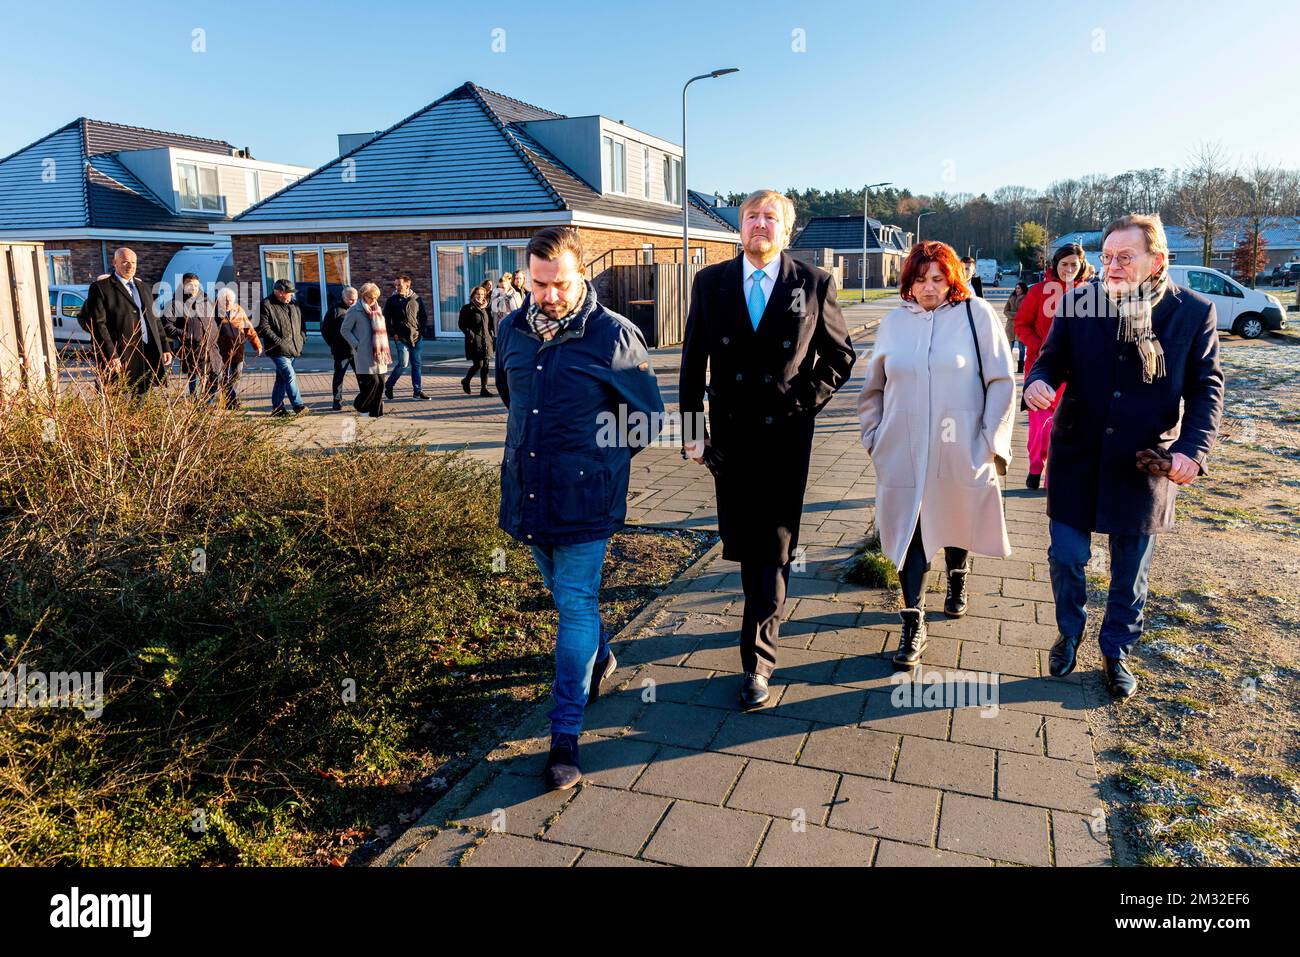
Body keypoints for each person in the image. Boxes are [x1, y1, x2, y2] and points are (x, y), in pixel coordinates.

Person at [1024, 213, 1224, 699]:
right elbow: (1051, 359)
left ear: (1157, 260)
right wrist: (1038, 381)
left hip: (1143, 460)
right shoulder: (1077, 303)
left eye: (1124, 257)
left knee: (1128, 570)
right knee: (1067, 556)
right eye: (1106, 256)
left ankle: (1116, 652)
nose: (1110, 266)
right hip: (1078, 454)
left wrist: (1191, 451)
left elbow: (1206, 390)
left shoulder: (1192, 312)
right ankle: (1070, 630)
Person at [495, 226, 664, 790]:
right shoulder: (511, 330)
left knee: (573, 606)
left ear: (581, 275)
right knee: (570, 601)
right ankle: (603, 656)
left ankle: (564, 735)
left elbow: (648, 419)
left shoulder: (614, 337)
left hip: (585, 502)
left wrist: (597, 459)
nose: (548, 296)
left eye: (559, 284)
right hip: (528, 494)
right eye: (538, 285)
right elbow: (512, 399)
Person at [679, 189, 856, 708]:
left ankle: (758, 661)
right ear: (740, 226)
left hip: (784, 435)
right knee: (743, 543)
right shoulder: (710, 282)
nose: (760, 224)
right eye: (752, 216)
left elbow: (839, 356)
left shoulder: (812, 283)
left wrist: (802, 402)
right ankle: (759, 618)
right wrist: (692, 427)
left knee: (775, 548)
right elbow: (693, 361)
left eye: (770, 217)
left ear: (787, 229)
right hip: (729, 435)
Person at [857, 241, 1016, 667]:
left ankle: (958, 577)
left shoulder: (975, 315)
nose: (929, 288)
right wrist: (874, 436)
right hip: (902, 449)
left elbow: (1002, 380)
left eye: (938, 279)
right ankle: (913, 622)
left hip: (960, 442)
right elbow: (873, 387)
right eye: (921, 279)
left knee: (956, 516)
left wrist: (989, 441)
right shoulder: (893, 323)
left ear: (952, 279)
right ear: (908, 282)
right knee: (912, 531)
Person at [1014, 244, 1092, 489]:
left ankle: (1052, 474)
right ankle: (1035, 464)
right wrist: (1039, 348)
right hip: (1041, 370)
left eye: (1073, 265)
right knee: (1040, 425)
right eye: (1064, 264)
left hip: (1074, 372)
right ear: (1055, 266)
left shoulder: (1090, 294)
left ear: (1081, 267)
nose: (1069, 269)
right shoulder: (1038, 292)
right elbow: (1021, 325)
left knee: (1063, 427)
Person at [79, 247, 171, 395]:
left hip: (146, 354)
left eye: (133, 262)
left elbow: (155, 320)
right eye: (125, 262)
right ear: (115, 263)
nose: (130, 266)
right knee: (119, 404)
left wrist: (165, 347)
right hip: (121, 355)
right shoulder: (101, 288)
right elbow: (98, 325)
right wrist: (110, 354)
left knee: (142, 402)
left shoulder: (144, 287)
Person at [161, 273, 222, 401]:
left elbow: (215, 321)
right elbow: (167, 326)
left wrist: (215, 336)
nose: (193, 287)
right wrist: (187, 334)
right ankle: (198, 413)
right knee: (197, 385)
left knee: (216, 378)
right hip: (193, 351)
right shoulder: (174, 304)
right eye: (190, 284)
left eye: (196, 285)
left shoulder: (206, 301)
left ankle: (208, 408)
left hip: (212, 349)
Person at [258, 279, 309, 417]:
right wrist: (278, 342)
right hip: (277, 349)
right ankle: (298, 405)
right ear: (279, 292)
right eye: (289, 293)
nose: (291, 296)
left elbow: (302, 322)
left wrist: (302, 337)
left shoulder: (294, 304)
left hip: (294, 347)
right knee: (289, 374)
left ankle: (277, 408)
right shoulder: (266, 304)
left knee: (281, 379)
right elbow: (263, 327)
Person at [341, 282, 392, 417]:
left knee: (380, 383)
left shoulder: (378, 309)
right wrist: (356, 344)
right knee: (372, 382)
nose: (374, 300)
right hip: (364, 352)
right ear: (364, 296)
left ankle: (375, 413)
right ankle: (360, 405)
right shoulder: (354, 310)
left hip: (379, 352)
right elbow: (344, 330)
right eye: (371, 297)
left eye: (376, 297)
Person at [383, 274, 429, 401]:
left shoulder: (416, 299)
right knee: (403, 363)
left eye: (400, 285)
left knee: (416, 364)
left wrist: (422, 332)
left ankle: (417, 391)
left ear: (407, 285)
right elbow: (386, 320)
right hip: (401, 338)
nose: (397, 287)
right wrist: (394, 334)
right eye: (396, 285)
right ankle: (389, 385)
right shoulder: (392, 300)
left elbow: (423, 317)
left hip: (416, 337)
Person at [214, 287, 261, 409]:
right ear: (219, 300)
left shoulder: (238, 310)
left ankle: (230, 399)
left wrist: (257, 345)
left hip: (237, 352)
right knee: (225, 377)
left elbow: (248, 329)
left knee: (235, 377)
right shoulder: (213, 312)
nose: (228, 303)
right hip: (221, 352)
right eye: (225, 300)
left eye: (230, 300)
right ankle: (231, 401)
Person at [321, 287, 358, 411]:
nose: (352, 302)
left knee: (362, 375)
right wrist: (333, 344)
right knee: (339, 376)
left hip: (357, 350)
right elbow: (325, 330)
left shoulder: (359, 309)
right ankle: (337, 400)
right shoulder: (335, 311)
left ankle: (365, 397)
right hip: (341, 351)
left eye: (355, 299)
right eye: (350, 299)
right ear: (344, 297)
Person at [458, 285, 495, 396]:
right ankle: (466, 380)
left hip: (487, 340)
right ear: (473, 295)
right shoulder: (467, 308)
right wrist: (471, 335)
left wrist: (491, 334)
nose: (480, 296)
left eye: (482, 294)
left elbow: (489, 324)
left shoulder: (486, 308)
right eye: (478, 294)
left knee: (486, 365)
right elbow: (462, 324)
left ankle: (484, 389)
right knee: (479, 364)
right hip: (474, 340)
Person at [1003, 280, 1029, 374]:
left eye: (1019, 288)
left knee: (1021, 348)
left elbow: (1025, 313)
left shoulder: (1027, 298)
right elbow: (1005, 311)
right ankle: (1007, 367)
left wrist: (1013, 315)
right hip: (1010, 327)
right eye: (1016, 288)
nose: (1017, 290)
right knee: (1008, 347)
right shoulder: (1011, 297)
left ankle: (1020, 368)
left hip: (1021, 326)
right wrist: (1017, 315)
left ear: (1023, 289)